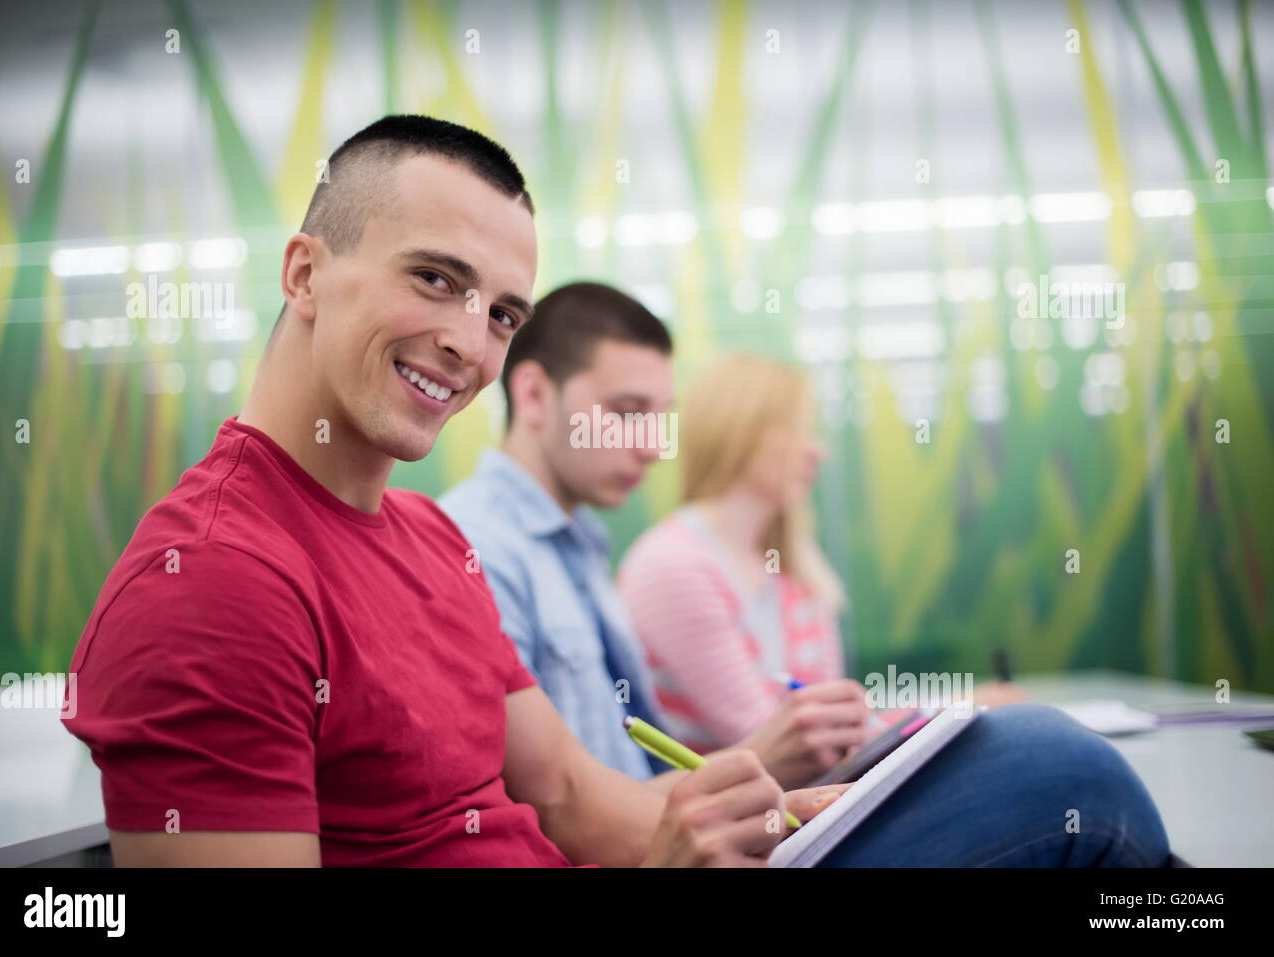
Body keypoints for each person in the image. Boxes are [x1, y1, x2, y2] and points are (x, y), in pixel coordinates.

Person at [61, 115, 1170, 868]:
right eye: (435, 279)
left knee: (1049, 774)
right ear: (305, 272)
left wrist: (762, 815)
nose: (466, 342)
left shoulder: (429, 541)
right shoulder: (210, 584)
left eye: (499, 311)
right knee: (1061, 776)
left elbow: (579, 799)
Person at [440, 284, 875, 789]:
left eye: (658, 417)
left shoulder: (581, 551)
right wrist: (766, 758)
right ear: (534, 394)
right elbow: (557, 810)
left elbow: (632, 779)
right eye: (627, 412)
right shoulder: (478, 548)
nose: (652, 446)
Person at [617, 353, 1023, 754]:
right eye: (798, 432)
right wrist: (950, 712)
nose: (817, 452)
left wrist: (951, 713)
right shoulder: (669, 566)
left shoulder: (795, 566)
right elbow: (778, 746)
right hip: (760, 814)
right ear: (741, 433)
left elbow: (837, 737)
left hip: (812, 801)